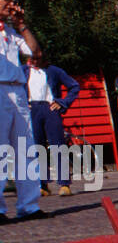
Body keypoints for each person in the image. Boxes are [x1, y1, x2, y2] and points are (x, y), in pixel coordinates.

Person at [0, 0, 47, 220]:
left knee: (25, 149)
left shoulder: (11, 33)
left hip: (17, 92)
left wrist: (22, 26)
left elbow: (36, 53)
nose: (10, 3)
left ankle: (29, 206)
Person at [25, 52, 81, 196]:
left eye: (37, 58)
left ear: (43, 57)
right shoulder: (23, 71)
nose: (34, 62)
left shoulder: (54, 71)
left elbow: (74, 86)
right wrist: (23, 104)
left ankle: (64, 184)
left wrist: (62, 103)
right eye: (32, 59)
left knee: (58, 144)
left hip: (50, 108)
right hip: (32, 109)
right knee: (37, 146)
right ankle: (42, 185)